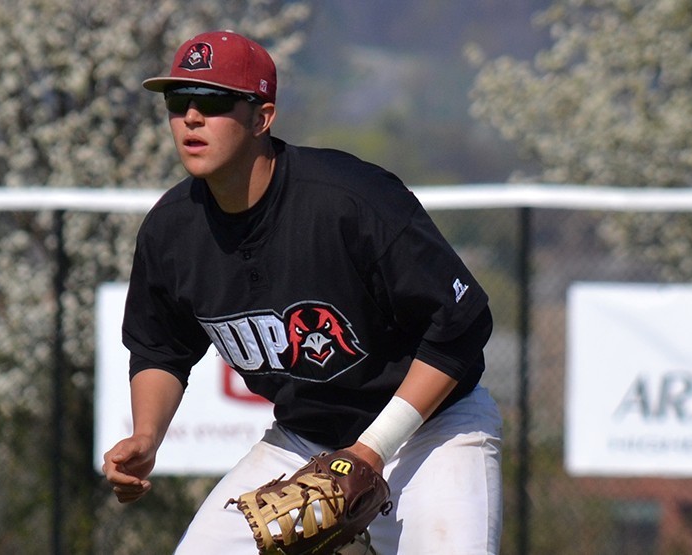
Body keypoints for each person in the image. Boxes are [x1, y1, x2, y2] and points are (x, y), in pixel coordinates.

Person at [102, 30, 503, 554]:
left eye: (215, 101)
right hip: (304, 439)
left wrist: (372, 449)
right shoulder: (171, 230)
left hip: (429, 431)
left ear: (262, 117)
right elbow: (161, 348)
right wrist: (147, 436)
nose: (191, 117)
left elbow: (462, 325)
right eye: (178, 101)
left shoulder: (348, 199)